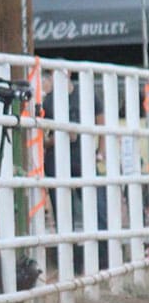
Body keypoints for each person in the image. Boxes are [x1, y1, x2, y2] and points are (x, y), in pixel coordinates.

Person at [43, 69, 107, 270]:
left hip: (83, 158)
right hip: (58, 161)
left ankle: (102, 259)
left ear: (68, 74)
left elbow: (101, 123)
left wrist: (100, 152)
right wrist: (59, 138)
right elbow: (40, 139)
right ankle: (72, 264)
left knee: (97, 210)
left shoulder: (85, 94)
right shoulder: (48, 100)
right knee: (65, 214)